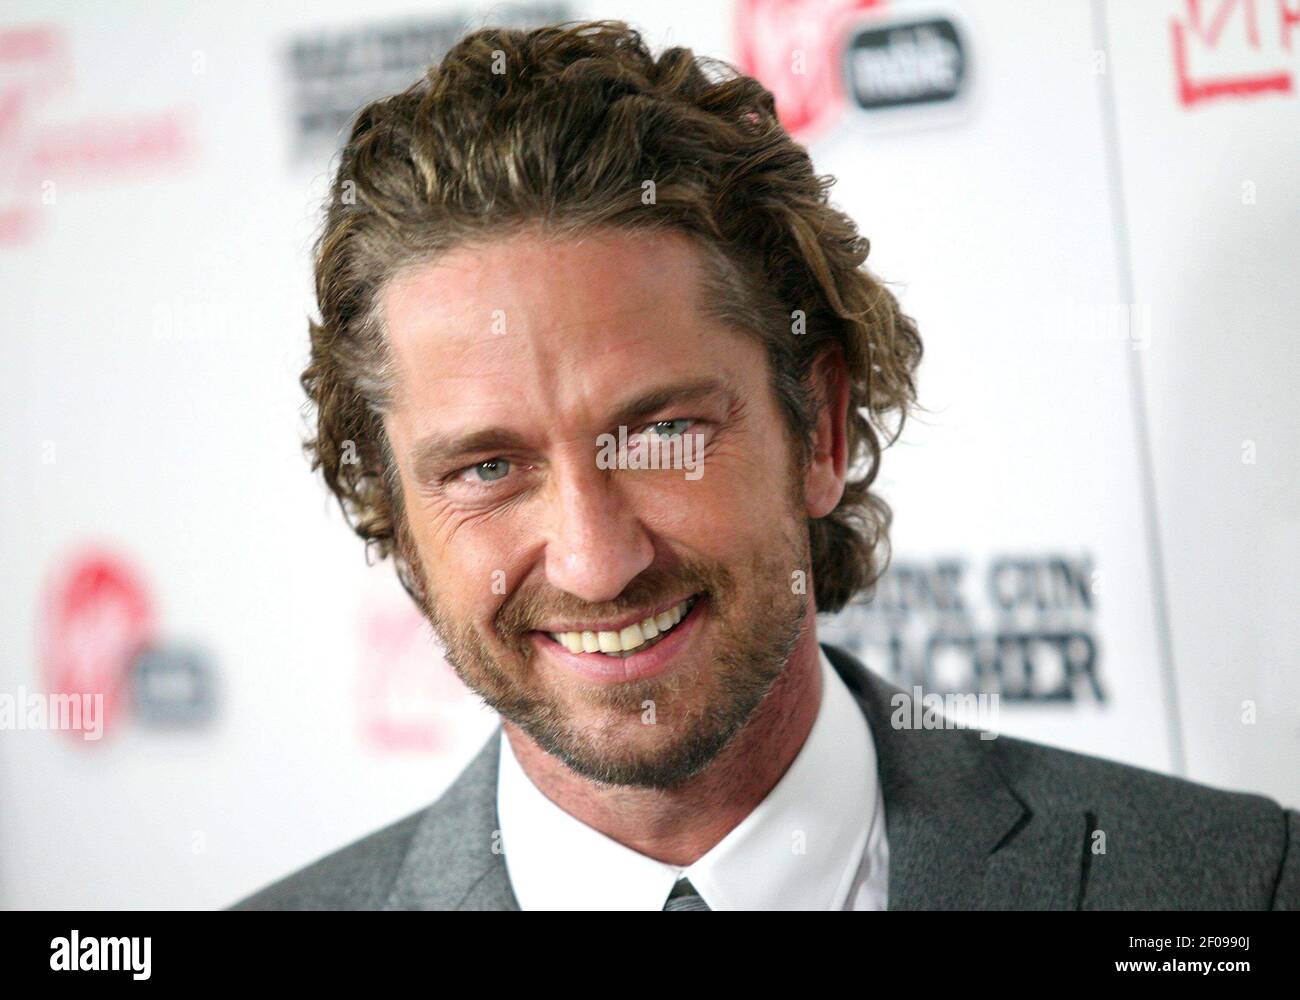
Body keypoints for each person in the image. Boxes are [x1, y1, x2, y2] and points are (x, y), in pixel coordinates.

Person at [231, 20, 1297, 910]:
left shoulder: (1228, 889)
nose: (596, 562)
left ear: (819, 431)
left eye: (661, 434)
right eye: (486, 468)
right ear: (396, 519)